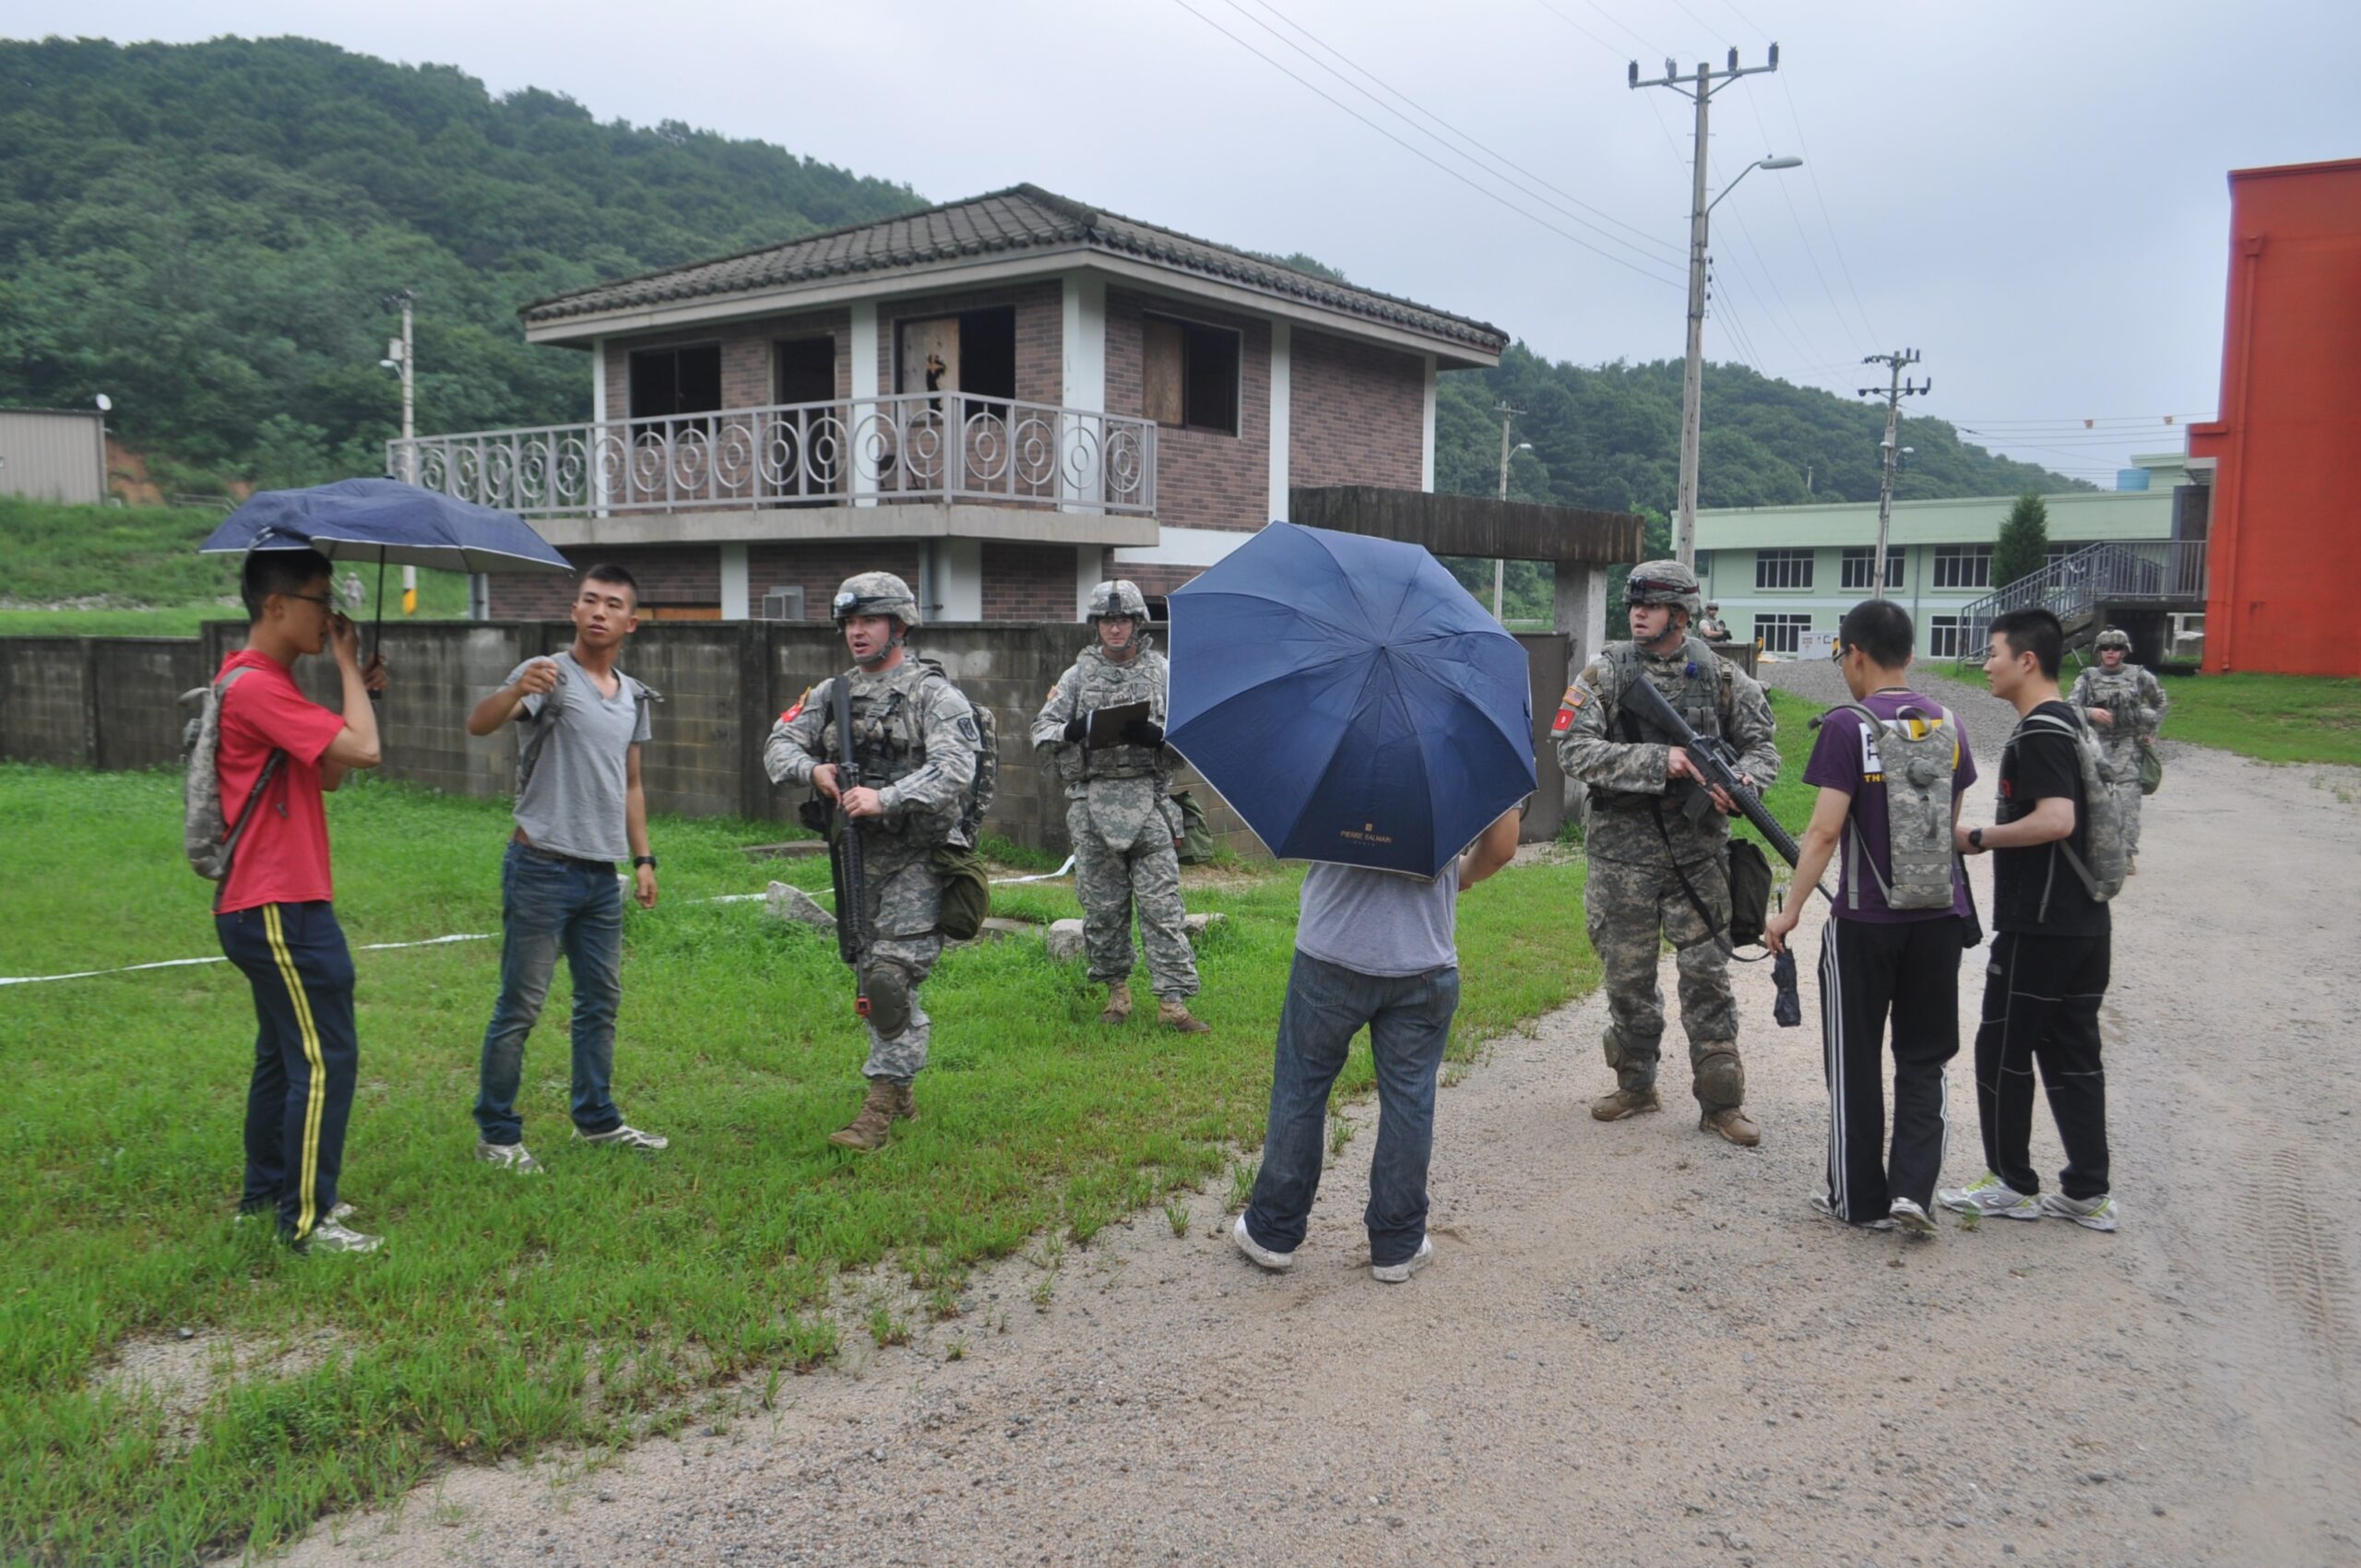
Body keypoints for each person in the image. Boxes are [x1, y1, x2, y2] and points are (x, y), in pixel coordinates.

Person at [1232, 805, 1523, 1283]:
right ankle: (1398, 1245)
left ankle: (1271, 1233)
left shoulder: (1327, 731)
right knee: (1409, 1100)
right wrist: (1461, 877)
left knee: (1300, 1090)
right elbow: (1502, 848)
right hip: (1424, 960)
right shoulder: (1470, 738)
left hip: (1331, 952)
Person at [1764, 599, 1975, 1235]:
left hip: (1865, 922)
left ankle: (1857, 1201)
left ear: (1854, 654)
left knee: (1855, 1062)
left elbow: (1826, 831)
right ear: (1909, 655)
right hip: (1939, 917)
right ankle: (1914, 1192)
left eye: (1842, 658)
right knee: (1924, 1055)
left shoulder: (1847, 725)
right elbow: (1947, 826)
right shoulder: (1951, 723)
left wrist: (1790, 911)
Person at [1554, 560, 1780, 1146]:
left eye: (1650, 605)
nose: (1637, 613)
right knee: (1627, 980)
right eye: (1634, 603)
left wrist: (1742, 784)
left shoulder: (1725, 678)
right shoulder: (1604, 675)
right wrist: (1663, 762)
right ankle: (1636, 1084)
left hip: (1698, 857)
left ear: (1681, 616)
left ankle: (1721, 1103)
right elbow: (1572, 751)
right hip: (1620, 862)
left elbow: (1762, 749)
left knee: (1707, 978)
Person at [463, 564, 667, 1172]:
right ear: (575, 611)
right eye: (589, 601)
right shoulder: (547, 675)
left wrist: (644, 857)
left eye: (612, 605)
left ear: (630, 622)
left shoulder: (632, 695)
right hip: (540, 866)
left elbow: (631, 783)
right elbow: (480, 724)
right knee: (521, 1005)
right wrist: (513, 689)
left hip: (602, 877)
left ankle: (596, 1119)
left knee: (600, 1001)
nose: (598, 612)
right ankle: (497, 1135)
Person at [765, 572, 979, 1151]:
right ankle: (902, 1081)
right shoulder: (830, 694)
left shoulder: (934, 695)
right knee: (867, 973)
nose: (856, 633)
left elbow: (956, 768)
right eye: (850, 623)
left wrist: (886, 796)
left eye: (869, 621)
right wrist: (814, 770)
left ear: (899, 626)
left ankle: (878, 1109)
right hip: (857, 856)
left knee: (888, 980)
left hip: (919, 856)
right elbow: (777, 744)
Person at [214, 548, 387, 1253]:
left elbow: (334, 776)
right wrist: (349, 668)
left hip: (273, 901)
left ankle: (264, 1198)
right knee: (324, 1060)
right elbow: (368, 755)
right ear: (276, 606)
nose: (333, 615)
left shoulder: (262, 685)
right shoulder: (257, 687)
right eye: (320, 600)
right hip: (279, 903)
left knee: (283, 1057)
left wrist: (360, 691)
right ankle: (306, 1220)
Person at [1940, 607, 2119, 1232]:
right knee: (2072, 1052)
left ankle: (2012, 1182)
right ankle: (2087, 1190)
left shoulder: (2040, 731)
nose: (1986, 664)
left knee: (2002, 1049)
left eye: (1993, 653)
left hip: (2041, 925)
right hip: (2085, 922)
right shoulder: (2069, 722)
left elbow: (2057, 819)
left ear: (2027, 661)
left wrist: (1977, 837)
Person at [1031, 579, 1207, 1032]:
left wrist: (1162, 738)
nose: (1114, 628)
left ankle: (1173, 1003)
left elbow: (1198, 737)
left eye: (1122, 619)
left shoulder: (1165, 673)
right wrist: (1073, 731)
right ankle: (1117, 995)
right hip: (1092, 804)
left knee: (1162, 907)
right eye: (1107, 620)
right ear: (1096, 626)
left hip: (1149, 802)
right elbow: (1041, 732)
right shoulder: (1076, 677)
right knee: (1103, 909)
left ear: (1137, 624)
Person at [2068, 627, 2166, 873]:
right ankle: (2094, 853)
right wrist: (2091, 713)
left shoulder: (2140, 677)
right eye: (2105, 648)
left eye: (2116, 648)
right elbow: (2070, 708)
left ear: (2125, 651)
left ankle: (2126, 854)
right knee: (2094, 804)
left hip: (2129, 750)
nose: (2111, 652)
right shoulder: (2087, 678)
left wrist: (2148, 727)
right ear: (2098, 652)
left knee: (2128, 806)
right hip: (2096, 748)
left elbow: (2160, 702)